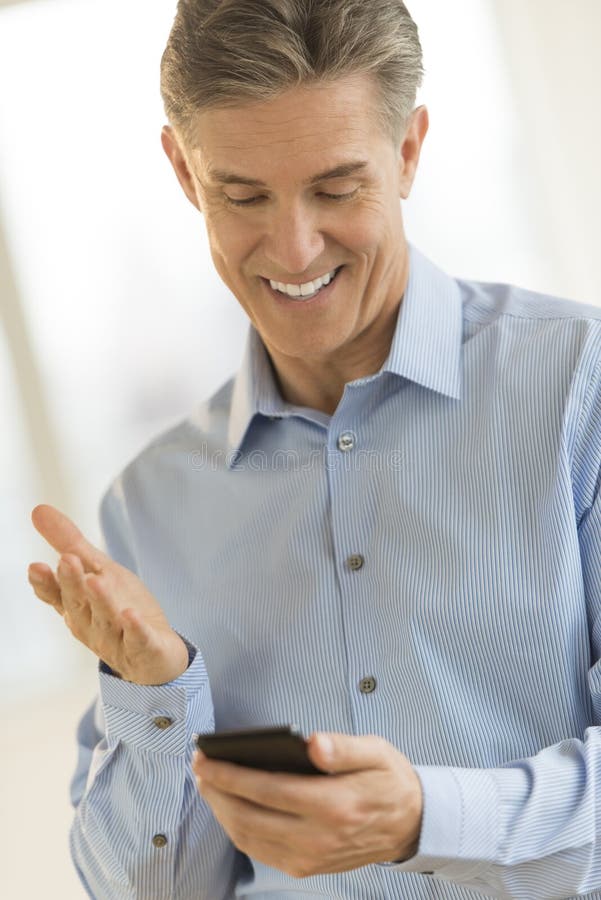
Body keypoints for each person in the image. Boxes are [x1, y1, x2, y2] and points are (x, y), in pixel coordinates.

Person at [27, 0, 601, 897]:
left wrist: (425, 819)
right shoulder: (147, 511)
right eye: (242, 194)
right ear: (183, 170)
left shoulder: (580, 390)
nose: (292, 248)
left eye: (336, 188)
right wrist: (155, 692)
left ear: (407, 151)